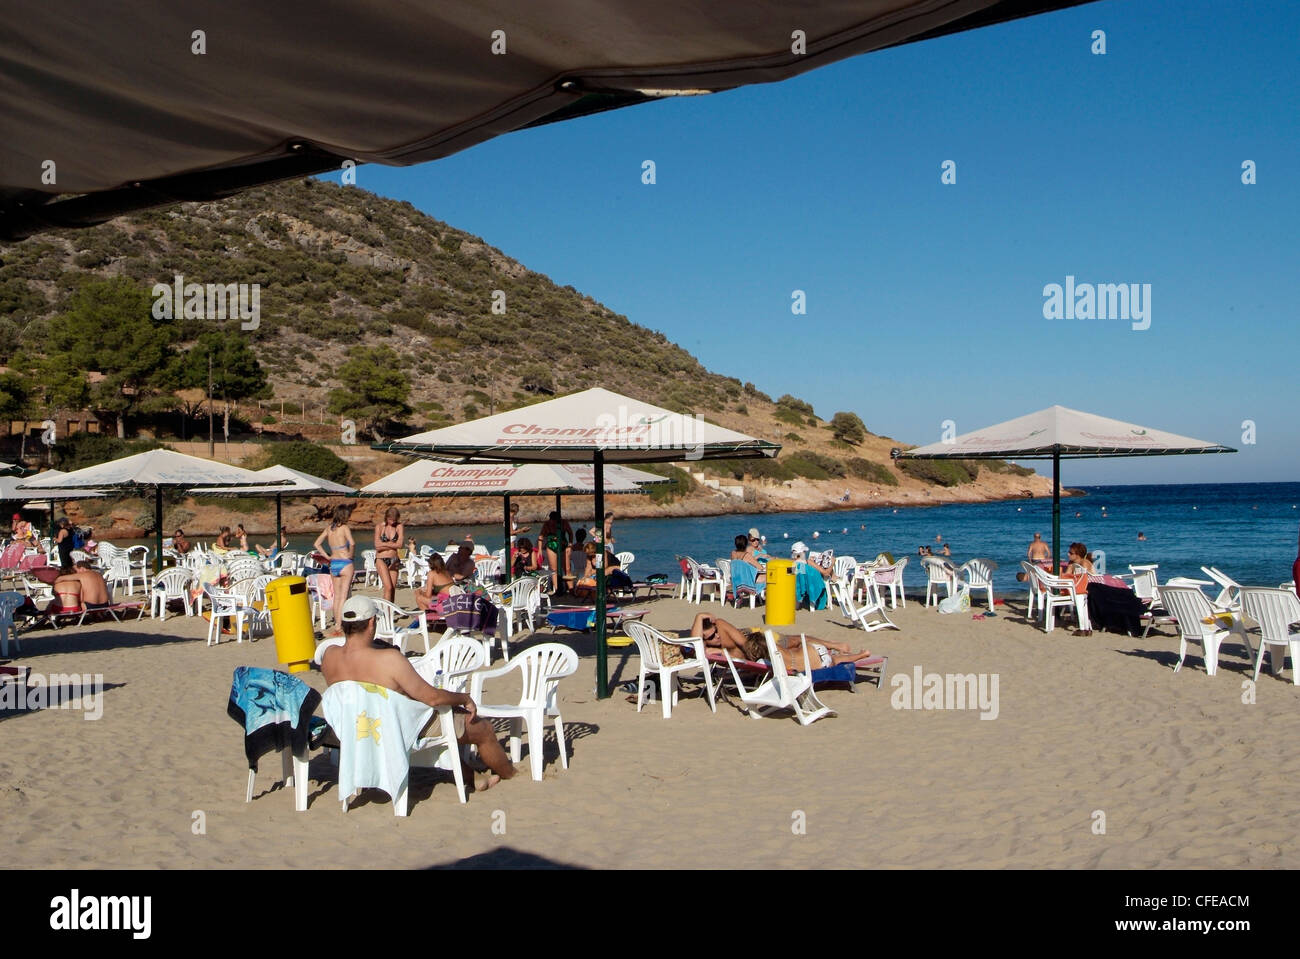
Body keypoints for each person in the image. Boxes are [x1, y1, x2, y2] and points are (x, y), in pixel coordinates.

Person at [320, 596, 517, 792]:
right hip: (396, 728)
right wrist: (464, 698)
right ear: (372, 623)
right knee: (483, 729)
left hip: (358, 729)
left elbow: (358, 691)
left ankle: (472, 776)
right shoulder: (389, 659)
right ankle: (510, 774)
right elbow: (432, 697)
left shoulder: (329, 656)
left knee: (415, 710)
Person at [690, 613, 873, 672]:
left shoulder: (721, 625)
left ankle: (833, 645)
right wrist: (699, 617)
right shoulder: (707, 644)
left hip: (757, 640)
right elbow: (695, 642)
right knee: (796, 645)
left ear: (715, 626)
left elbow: (746, 645)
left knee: (793, 640)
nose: (716, 638)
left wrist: (728, 654)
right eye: (710, 638)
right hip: (758, 648)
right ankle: (830, 651)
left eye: (714, 633)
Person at [313, 505, 356, 631]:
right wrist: (351, 555)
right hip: (345, 563)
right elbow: (352, 543)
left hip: (334, 563)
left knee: (336, 596)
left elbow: (317, 544)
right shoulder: (344, 528)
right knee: (343, 596)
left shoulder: (329, 529)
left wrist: (327, 556)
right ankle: (340, 625)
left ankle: (337, 624)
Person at [373, 508, 405, 604]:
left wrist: (384, 544)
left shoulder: (399, 527)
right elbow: (377, 546)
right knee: (388, 587)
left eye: (394, 520)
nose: (392, 522)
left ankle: (390, 612)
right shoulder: (379, 527)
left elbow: (400, 545)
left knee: (393, 589)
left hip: (394, 559)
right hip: (381, 559)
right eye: (390, 520)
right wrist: (392, 544)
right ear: (386, 517)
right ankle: (385, 613)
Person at [539, 510, 573, 595]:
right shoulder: (547, 524)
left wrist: (570, 544)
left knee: (567, 568)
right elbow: (541, 536)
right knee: (554, 569)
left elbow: (570, 533)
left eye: (555, 520)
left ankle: (571, 588)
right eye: (552, 520)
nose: (553, 522)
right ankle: (557, 589)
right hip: (551, 545)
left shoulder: (564, 522)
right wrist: (539, 549)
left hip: (563, 544)